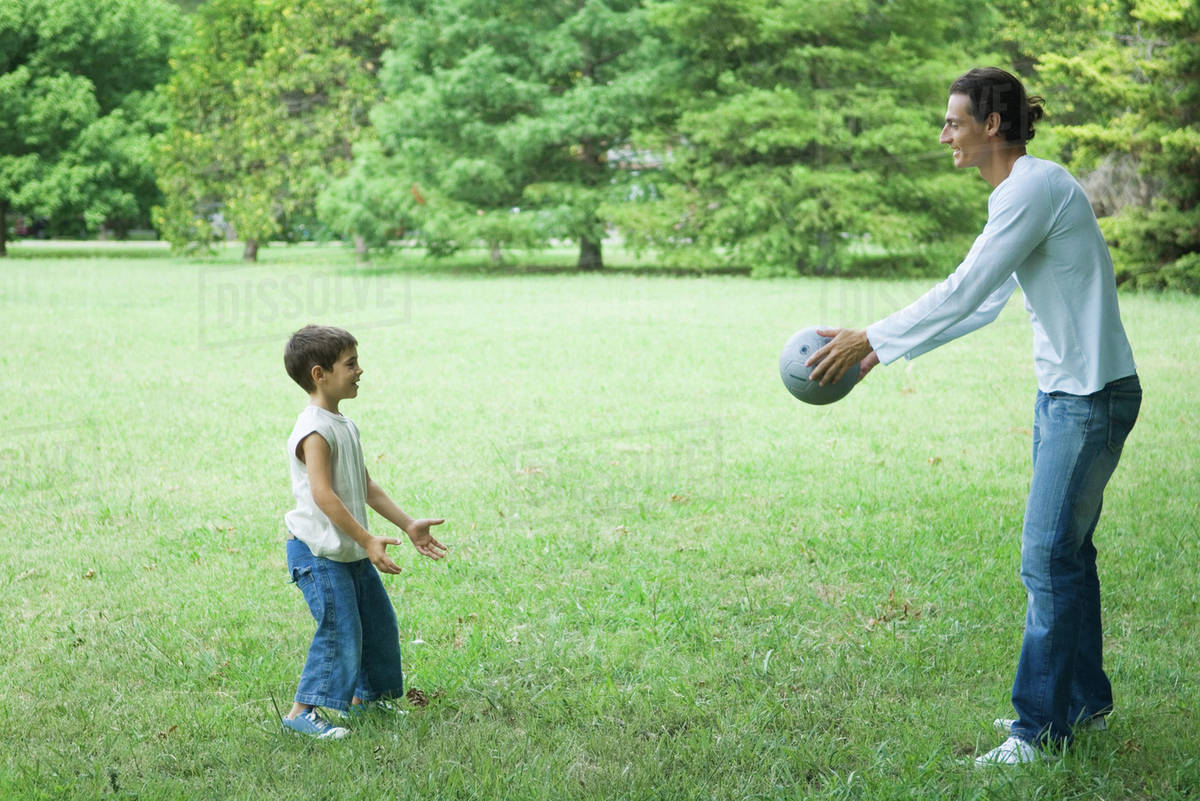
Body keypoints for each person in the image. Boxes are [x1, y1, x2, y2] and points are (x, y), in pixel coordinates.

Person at [806, 67, 1141, 766]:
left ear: (992, 125)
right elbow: (984, 304)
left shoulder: (1031, 187)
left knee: (1047, 557)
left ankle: (1037, 732)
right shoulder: (1022, 191)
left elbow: (964, 290)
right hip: (1068, 393)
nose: (944, 135)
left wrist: (873, 334)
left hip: (1089, 398)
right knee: (1068, 555)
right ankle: (1078, 702)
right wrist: (882, 353)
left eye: (953, 122)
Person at [280, 324, 448, 738]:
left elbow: (365, 486)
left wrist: (407, 524)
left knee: (377, 623)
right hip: (318, 553)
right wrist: (367, 539)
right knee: (341, 628)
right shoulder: (314, 431)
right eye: (350, 364)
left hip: (348, 550)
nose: (360, 371)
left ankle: (364, 702)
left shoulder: (344, 425)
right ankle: (301, 712)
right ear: (320, 374)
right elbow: (323, 495)